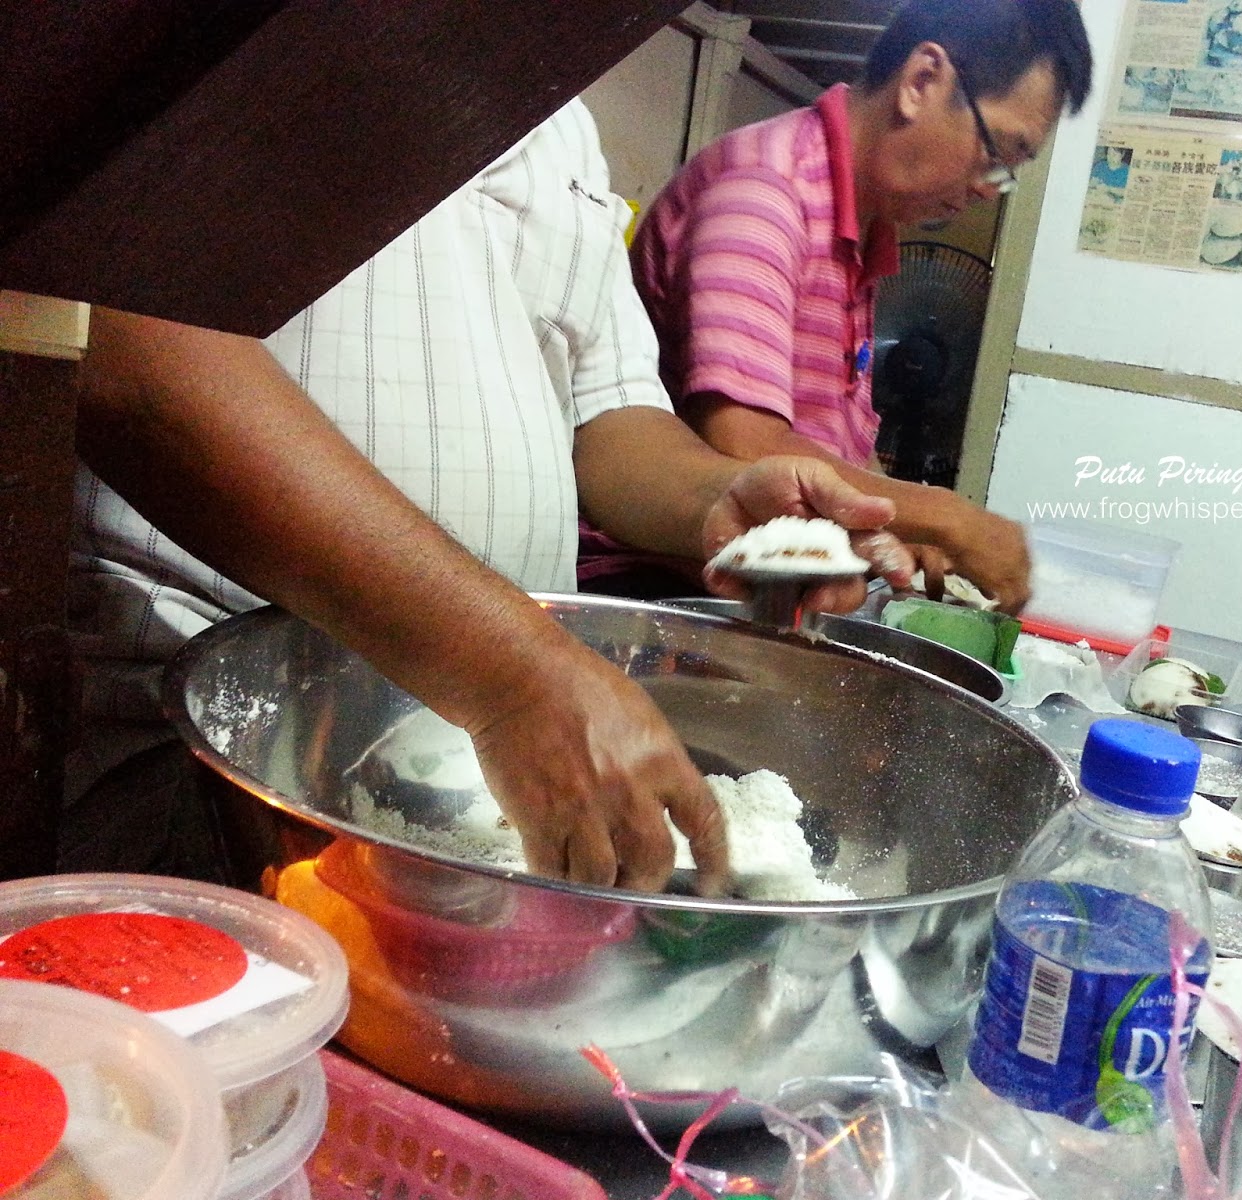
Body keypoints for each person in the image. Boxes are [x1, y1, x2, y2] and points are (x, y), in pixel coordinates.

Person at [67, 98, 912, 896]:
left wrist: (716, 499)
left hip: (492, 747)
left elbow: (608, 411)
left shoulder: (560, 117)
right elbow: (125, 336)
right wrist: (510, 671)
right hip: (211, 747)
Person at [630, 0, 1093, 614]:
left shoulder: (857, 226)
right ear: (922, 81)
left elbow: (838, 444)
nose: (988, 188)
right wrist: (950, 518)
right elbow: (743, 441)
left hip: (781, 588)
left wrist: (906, 522)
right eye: (995, 153)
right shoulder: (766, 193)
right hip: (666, 591)